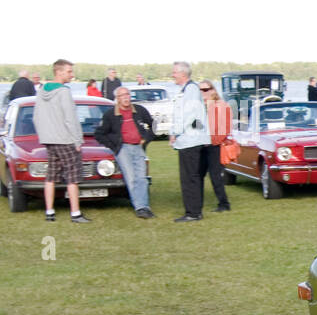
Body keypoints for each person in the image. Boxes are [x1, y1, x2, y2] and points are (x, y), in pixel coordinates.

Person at [34, 59, 90, 222]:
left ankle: (49, 212)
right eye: (69, 71)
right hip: (65, 140)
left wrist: (43, 136)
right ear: (59, 72)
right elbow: (70, 118)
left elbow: (37, 117)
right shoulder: (64, 92)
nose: (72, 75)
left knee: (51, 176)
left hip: (49, 140)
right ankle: (75, 213)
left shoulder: (41, 90)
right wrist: (78, 140)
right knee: (72, 177)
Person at [94, 86, 156, 218]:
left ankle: (144, 206)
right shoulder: (110, 115)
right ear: (117, 99)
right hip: (123, 149)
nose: (126, 98)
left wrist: (146, 139)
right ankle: (141, 207)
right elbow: (100, 134)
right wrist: (114, 146)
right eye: (122, 95)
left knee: (142, 178)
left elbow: (153, 124)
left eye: (127, 94)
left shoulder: (139, 110)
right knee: (131, 178)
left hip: (138, 147)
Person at [169, 61, 211, 222]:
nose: (173, 75)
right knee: (190, 176)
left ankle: (193, 213)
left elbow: (188, 115)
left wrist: (175, 132)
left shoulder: (191, 90)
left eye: (174, 72)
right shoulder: (187, 89)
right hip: (187, 140)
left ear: (183, 74)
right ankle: (193, 211)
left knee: (189, 177)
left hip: (190, 140)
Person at [200, 78, 232, 212]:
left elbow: (225, 128)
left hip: (215, 146)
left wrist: (214, 141)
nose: (203, 92)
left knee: (215, 176)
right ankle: (196, 203)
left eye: (206, 89)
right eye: (200, 90)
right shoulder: (199, 105)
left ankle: (224, 204)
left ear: (213, 90)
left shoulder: (221, 105)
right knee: (197, 175)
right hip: (200, 145)